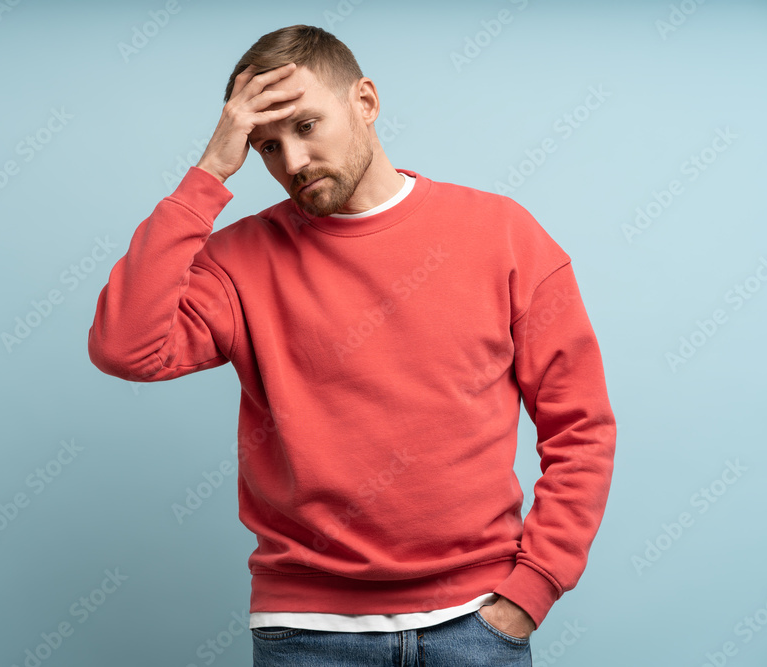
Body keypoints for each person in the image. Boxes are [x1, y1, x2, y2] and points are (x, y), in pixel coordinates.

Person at [88, 24, 616, 666]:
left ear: (364, 102)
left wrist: (533, 591)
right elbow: (125, 348)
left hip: (478, 624)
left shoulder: (502, 234)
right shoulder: (238, 261)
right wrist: (208, 175)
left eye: (306, 126)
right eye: (266, 147)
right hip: (307, 632)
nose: (292, 163)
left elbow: (580, 427)